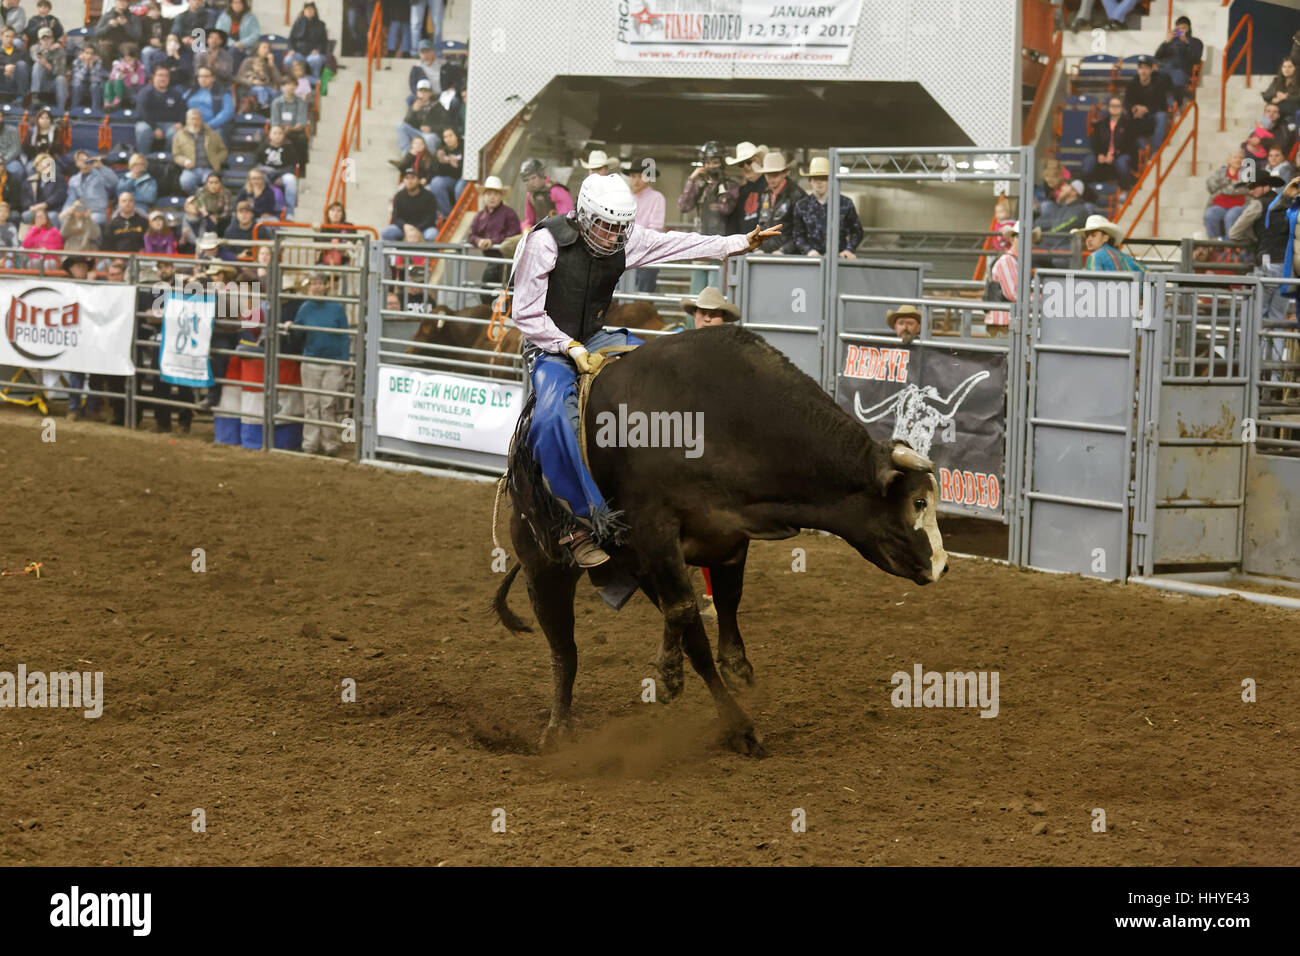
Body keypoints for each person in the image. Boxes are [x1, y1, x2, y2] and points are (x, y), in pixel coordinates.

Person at [512, 172, 780, 566]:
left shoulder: (625, 239)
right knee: (553, 416)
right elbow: (526, 312)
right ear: (584, 216)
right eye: (604, 226)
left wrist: (740, 242)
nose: (611, 236)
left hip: (594, 336)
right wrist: (566, 346)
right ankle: (577, 521)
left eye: (619, 228)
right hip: (547, 345)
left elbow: (677, 242)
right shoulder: (544, 242)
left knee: (662, 373)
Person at [286, 272, 349, 455]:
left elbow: (345, 336)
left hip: (332, 362)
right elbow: (298, 334)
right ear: (309, 287)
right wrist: (291, 327)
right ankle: (310, 443)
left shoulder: (336, 308)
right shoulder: (305, 307)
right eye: (313, 283)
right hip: (311, 360)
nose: (317, 286)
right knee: (312, 404)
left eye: (320, 283)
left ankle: (329, 443)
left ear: (325, 287)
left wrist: (345, 363)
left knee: (327, 404)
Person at [791, 155, 863, 258]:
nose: (819, 182)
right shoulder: (802, 206)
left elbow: (857, 231)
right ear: (810, 181)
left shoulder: (845, 203)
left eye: (824, 178)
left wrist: (849, 250)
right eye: (816, 178)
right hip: (811, 261)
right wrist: (808, 250)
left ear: (830, 180)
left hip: (839, 259)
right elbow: (798, 234)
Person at [468, 174, 520, 291]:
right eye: (489, 194)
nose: (492, 197)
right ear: (484, 196)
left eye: (496, 194)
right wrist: (479, 241)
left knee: (508, 294)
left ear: (501, 196)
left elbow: (513, 235)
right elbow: (471, 235)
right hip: (491, 262)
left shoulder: (509, 214)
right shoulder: (480, 216)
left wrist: (492, 241)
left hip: (508, 262)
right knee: (486, 293)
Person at [677, 140, 738, 239]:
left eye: (715, 162)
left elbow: (726, 209)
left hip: (723, 240)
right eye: (707, 162)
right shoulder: (700, 185)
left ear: (722, 163)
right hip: (701, 238)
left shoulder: (731, 185)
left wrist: (721, 183)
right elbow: (683, 206)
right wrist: (691, 180)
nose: (711, 166)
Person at [1260, 175, 1300, 323]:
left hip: (1285, 267)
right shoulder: (1292, 204)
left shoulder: (1293, 206)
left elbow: (1272, 225)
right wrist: (1286, 198)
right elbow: (1274, 225)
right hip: (1292, 272)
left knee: (1266, 315)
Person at [626, 155, 665, 293]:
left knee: (644, 289)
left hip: (647, 251)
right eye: (633, 176)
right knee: (621, 289)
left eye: (640, 176)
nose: (636, 180)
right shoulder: (626, 197)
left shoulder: (657, 197)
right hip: (626, 251)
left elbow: (656, 227)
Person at [753, 151, 804, 254]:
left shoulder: (797, 195)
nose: (771, 179)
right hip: (765, 254)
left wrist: (784, 250)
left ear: (784, 173)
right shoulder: (765, 194)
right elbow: (762, 226)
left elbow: (801, 231)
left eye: (775, 174)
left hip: (789, 257)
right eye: (768, 175)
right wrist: (758, 247)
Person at [1083, 95, 1137, 189]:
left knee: (1122, 163)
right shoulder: (1101, 123)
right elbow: (1095, 142)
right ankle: (1086, 191)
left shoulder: (1129, 124)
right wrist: (1099, 154)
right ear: (1108, 108)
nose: (1114, 108)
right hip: (1103, 155)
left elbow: (1128, 145)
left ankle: (1126, 190)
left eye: (1117, 106)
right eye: (1112, 106)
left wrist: (1114, 155)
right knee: (1088, 162)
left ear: (1122, 108)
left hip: (1121, 154)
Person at [172, 108, 228, 194]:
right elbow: (176, 155)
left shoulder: (212, 133)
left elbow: (223, 150)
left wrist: (216, 160)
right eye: (192, 118)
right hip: (190, 170)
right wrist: (184, 161)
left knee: (212, 184)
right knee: (185, 181)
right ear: (187, 120)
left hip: (209, 169)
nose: (194, 121)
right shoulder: (179, 135)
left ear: (200, 120)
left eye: (197, 118)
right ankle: (199, 197)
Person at [133, 66, 186, 155]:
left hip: (169, 124)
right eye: (160, 75)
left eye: (166, 76)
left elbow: (183, 110)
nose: (163, 78)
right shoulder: (145, 93)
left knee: (175, 133)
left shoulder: (176, 94)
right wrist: (155, 128)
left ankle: (168, 160)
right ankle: (142, 159)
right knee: (142, 130)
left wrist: (181, 122)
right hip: (149, 123)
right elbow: (143, 113)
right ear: (154, 77)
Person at [1125, 56, 1173, 150]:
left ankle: (1155, 151)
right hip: (1137, 115)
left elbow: (1163, 105)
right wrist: (1134, 108)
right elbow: (1127, 102)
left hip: (1152, 115)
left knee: (1161, 116)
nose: (1143, 71)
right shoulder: (1131, 84)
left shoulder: (1159, 84)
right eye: (1141, 68)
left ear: (1151, 70)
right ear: (1138, 70)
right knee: (1123, 116)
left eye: (1146, 68)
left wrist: (1146, 109)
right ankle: (1135, 149)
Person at [254, 125, 301, 219]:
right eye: (274, 133)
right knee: (256, 179)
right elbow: (257, 164)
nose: (277, 136)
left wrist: (279, 176)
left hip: (282, 175)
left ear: (283, 135)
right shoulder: (263, 147)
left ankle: (289, 212)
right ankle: (259, 210)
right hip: (266, 175)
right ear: (269, 135)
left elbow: (291, 166)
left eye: (280, 133)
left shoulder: (288, 147)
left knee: (291, 179)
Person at [1203, 148, 1251, 240]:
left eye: (1241, 158)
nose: (1238, 160)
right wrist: (1231, 182)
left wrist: (1223, 186)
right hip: (1219, 205)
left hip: (1239, 205)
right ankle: (1214, 243)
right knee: (1209, 215)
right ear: (1228, 160)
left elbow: (1245, 189)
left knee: (1231, 217)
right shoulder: (1220, 171)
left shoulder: (1247, 173)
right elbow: (1211, 185)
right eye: (1235, 157)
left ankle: (1229, 247)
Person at [1155, 15, 1203, 105]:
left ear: (1189, 29)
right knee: (1153, 78)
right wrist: (1165, 42)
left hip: (1183, 70)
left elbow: (1196, 58)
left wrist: (1186, 43)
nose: (1181, 31)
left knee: (1177, 78)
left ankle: (1176, 105)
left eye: (1183, 28)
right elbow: (1157, 56)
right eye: (1178, 29)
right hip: (1166, 69)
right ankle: (1160, 105)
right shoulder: (1171, 41)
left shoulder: (1196, 42)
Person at [382, 167, 439, 240]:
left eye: (412, 178)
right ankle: (397, 251)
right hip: (405, 228)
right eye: (407, 178)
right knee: (386, 233)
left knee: (432, 235)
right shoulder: (399, 196)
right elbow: (395, 217)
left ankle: (426, 251)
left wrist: (416, 229)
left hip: (424, 228)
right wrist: (405, 227)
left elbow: (431, 218)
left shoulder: (429, 196)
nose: (409, 181)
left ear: (418, 180)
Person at [1072, 214, 1145, 271]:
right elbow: (1146, 273)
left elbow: (1093, 284)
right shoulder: (1126, 258)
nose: (1088, 239)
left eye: (1093, 235)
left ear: (1105, 238)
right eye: (1087, 236)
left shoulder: (1094, 257)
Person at [63, 151, 119, 225]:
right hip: (82, 210)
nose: (84, 161)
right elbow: (70, 199)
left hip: (98, 210)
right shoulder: (74, 179)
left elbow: (114, 182)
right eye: (81, 159)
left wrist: (101, 167)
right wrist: (65, 211)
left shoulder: (100, 174)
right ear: (77, 163)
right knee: (64, 219)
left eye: (86, 159)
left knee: (89, 221)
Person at [985, 222, 1020, 336]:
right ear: (1013, 239)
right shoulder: (1008, 261)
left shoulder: (1013, 260)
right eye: (1019, 236)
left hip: (1005, 322)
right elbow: (1013, 294)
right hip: (1003, 323)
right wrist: (1038, 297)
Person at [396, 78, 447, 154]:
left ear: (430, 93)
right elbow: (406, 123)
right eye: (420, 91)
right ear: (417, 93)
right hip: (418, 133)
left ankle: (426, 162)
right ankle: (407, 157)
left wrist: (431, 129)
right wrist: (413, 111)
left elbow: (446, 125)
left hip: (432, 135)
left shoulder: (438, 106)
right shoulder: (414, 105)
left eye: (425, 91)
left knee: (429, 138)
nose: (422, 94)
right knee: (400, 126)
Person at [727, 141, 769, 235]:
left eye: (749, 162)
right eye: (741, 164)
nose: (746, 167)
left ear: (760, 161)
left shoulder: (771, 187)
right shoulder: (741, 192)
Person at [520, 157, 573, 229]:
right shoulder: (530, 195)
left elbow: (566, 219)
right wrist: (526, 228)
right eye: (527, 180)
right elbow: (529, 220)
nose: (530, 183)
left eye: (533, 178)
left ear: (541, 175)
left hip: (559, 232)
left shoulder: (556, 190)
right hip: (539, 232)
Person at [27, 25, 67, 112]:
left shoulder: (60, 51)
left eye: (48, 38)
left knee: (61, 79)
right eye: (43, 39)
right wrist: (48, 51)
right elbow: (38, 59)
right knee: (37, 65)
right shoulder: (34, 48)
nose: (46, 41)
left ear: (52, 39)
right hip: (40, 81)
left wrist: (48, 65)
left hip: (53, 81)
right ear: (39, 40)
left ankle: (61, 109)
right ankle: (35, 96)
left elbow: (60, 71)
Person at [186, 66, 235, 135]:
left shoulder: (222, 93)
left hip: (213, 127)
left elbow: (227, 112)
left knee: (217, 134)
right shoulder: (190, 92)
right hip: (190, 126)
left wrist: (208, 125)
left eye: (206, 76)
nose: (203, 79)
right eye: (200, 76)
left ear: (213, 78)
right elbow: (181, 107)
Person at [428, 126, 464, 219]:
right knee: (436, 182)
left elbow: (464, 168)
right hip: (451, 178)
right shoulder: (442, 151)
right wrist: (442, 162)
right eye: (445, 137)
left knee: (459, 188)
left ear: (456, 136)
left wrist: (456, 165)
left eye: (450, 136)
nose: (448, 139)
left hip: (463, 176)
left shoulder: (464, 147)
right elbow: (436, 172)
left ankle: (461, 215)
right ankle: (447, 215)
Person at [19, 153, 64, 226]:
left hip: (52, 209)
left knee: (52, 216)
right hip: (35, 210)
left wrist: (45, 204)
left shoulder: (59, 179)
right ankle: (31, 236)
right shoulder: (29, 181)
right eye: (42, 164)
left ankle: (53, 237)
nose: (45, 166)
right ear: (36, 167)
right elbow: (24, 199)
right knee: (25, 215)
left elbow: (59, 196)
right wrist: (33, 207)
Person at [269, 75, 310, 154]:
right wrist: (280, 132)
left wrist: (291, 129)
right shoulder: (276, 102)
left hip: (295, 132)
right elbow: (275, 122)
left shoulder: (301, 103)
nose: (291, 87)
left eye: (294, 84)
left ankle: (301, 165)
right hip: (279, 131)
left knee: (302, 141)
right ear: (283, 86)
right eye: (288, 84)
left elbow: (301, 123)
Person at [286, 2, 328, 77]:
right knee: (288, 60)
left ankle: (315, 82)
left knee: (315, 60)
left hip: (313, 54)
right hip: (298, 53)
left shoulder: (320, 24)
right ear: (304, 11)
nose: (309, 11)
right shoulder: (298, 23)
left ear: (315, 11)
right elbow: (291, 39)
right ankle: (292, 80)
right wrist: (291, 49)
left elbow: (324, 41)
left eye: (311, 9)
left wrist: (318, 50)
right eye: (307, 9)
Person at [236, 38, 281, 108]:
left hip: (266, 87)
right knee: (261, 90)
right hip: (249, 88)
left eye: (268, 48)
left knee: (275, 92)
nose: (267, 50)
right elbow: (239, 78)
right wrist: (253, 81)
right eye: (264, 48)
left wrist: (272, 65)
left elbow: (278, 80)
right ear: (257, 49)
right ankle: (264, 107)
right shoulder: (249, 61)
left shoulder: (268, 62)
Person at [106, 41, 146, 111]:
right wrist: (119, 73)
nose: (128, 62)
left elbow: (141, 83)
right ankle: (110, 103)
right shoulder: (118, 65)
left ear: (135, 58)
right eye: (125, 60)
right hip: (118, 90)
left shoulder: (140, 67)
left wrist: (132, 74)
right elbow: (112, 78)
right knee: (110, 83)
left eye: (130, 60)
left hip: (132, 90)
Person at [1261, 58, 1300, 125]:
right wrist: (1276, 95)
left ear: (1295, 68)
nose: (1286, 69)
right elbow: (1266, 96)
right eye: (1284, 66)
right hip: (1276, 112)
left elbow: (1298, 98)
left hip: (1292, 112)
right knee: (1265, 121)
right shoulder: (1277, 81)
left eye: (1290, 67)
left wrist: (1285, 97)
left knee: (1288, 120)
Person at [70, 43, 107, 112]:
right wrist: (85, 65)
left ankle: (95, 111)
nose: (89, 56)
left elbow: (97, 79)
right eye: (87, 53)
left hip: (92, 83)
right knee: (78, 86)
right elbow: (79, 78)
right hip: (80, 83)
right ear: (82, 53)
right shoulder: (76, 61)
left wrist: (91, 66)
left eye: (91, 53)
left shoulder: (98, 61)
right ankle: (74, 109)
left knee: (95, 86)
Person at [0, 27, 29, 102]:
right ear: (1, 36)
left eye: (12, 37)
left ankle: (20, 99)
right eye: (7, 36)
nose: (9, 39)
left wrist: (13, 69)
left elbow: (28, 69)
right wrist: (4, 68)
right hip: (1, 80)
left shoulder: (21, 52)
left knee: (22, 64)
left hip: (15, 81)